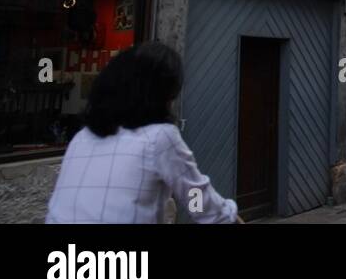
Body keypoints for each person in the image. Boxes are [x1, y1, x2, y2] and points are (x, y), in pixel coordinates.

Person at [46, 42, 241, 224]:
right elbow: (196, 201)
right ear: (160, 95)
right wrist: (229, 215)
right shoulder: (159, 138)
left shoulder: (82, 137)